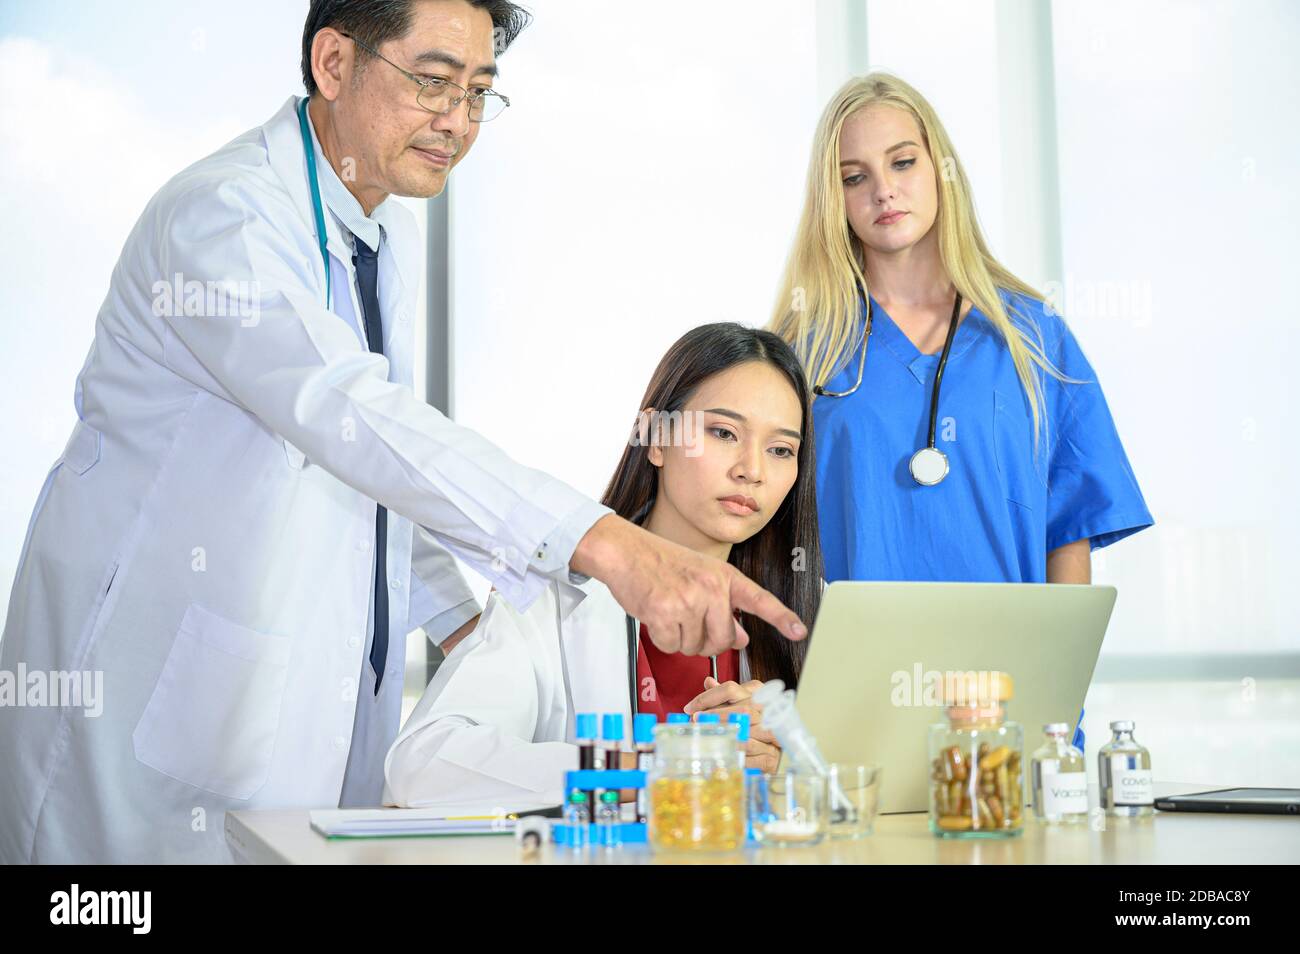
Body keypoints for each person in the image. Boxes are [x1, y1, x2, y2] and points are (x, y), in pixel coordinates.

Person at [0, 0, 803, 865]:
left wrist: (469, 626)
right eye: (432, 82)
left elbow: (377, 479)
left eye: (479, 92)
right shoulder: (223, 219)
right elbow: (351, 415)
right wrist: (603, 542)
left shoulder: (385, 237)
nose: (456, 121)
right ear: (334, 62)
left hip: (302, 726)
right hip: (145, 712)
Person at [384, 324, 824, 808]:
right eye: (723, 433)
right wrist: (652, 766)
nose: (752, 470)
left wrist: (787, 762)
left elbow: (873, 781)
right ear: (655, 440)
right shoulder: (554, 597)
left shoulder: (813, 607)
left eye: (781, 449)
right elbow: (423, 766)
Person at [768, 73, 1153, 587]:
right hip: (855, 658)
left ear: (940, 170)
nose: (884, 190)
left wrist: (1055, 665)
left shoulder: (1032, 337)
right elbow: (761, 528)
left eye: (903, 162)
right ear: (831, 198)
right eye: (853, 177)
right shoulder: (804, 350)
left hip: (1009, 661)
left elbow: (1068, 531)